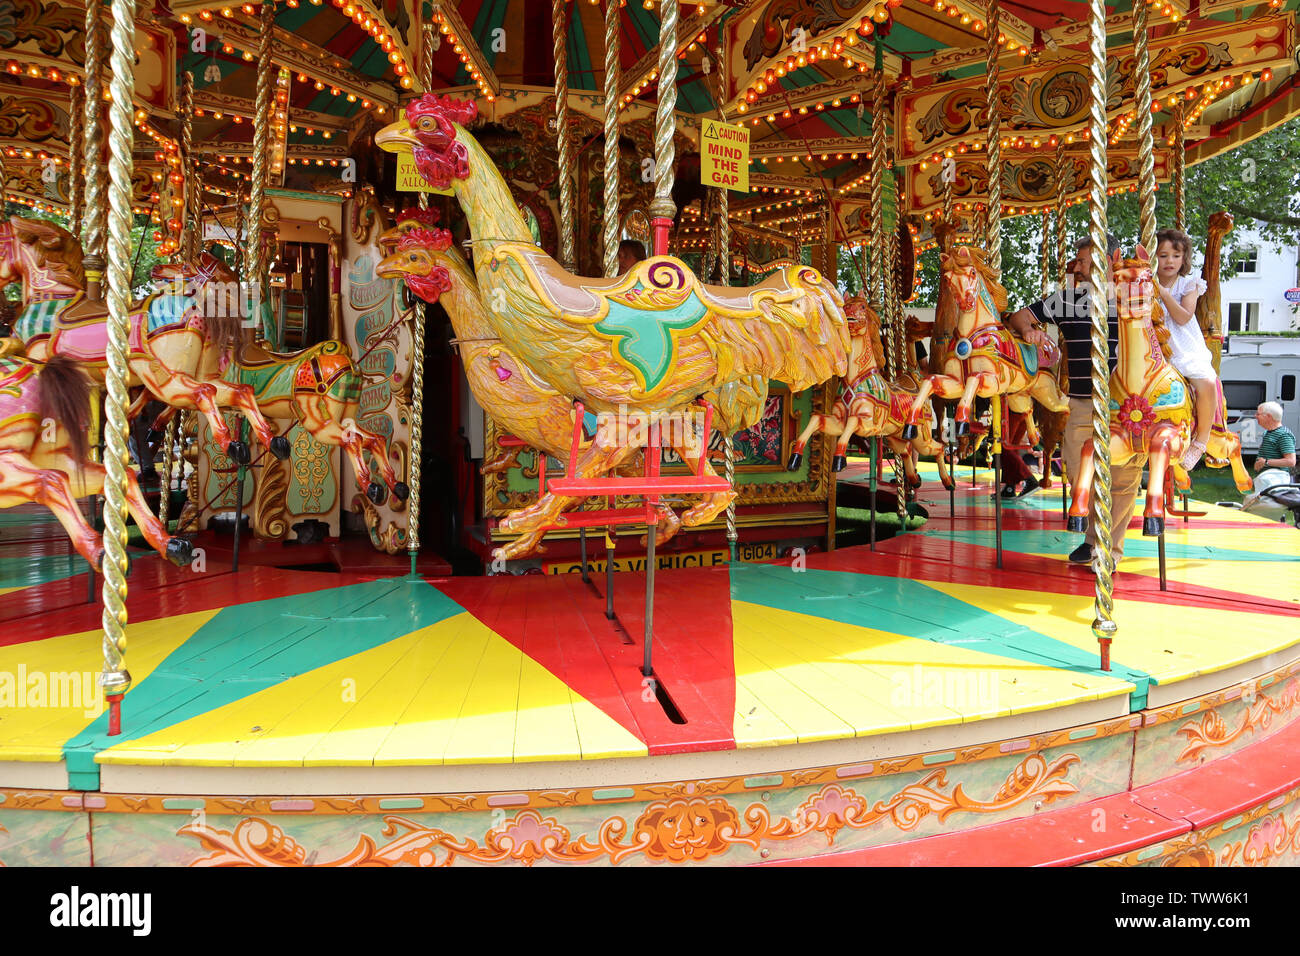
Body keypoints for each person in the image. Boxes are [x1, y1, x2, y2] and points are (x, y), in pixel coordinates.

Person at [1005, 234, 1144, 568]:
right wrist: (1030, 331)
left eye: (1084, 260)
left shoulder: (1131, 297)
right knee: (1076, 467)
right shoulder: (1067, 300)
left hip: (1123, 405)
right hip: (1082, 400)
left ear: (1113, 258)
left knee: (1121, 477)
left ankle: (1107, 548)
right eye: (1079, 261)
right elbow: (1019, 316)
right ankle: (1095, 537)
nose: (1078, 267)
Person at [1152, 229, 1215, 469]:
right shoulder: (1144, 283)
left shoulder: (1188, 284)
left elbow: (1183, 317)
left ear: (1184, 258)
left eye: (1175, 256)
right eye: (1163, 255)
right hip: (1153, 344)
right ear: (1153, 257)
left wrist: (1163, 294)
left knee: (1206, 381)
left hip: (1182, 345)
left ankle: (1201, 441)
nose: (1169, 261)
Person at [1253, 402, 1296, 475]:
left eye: (1258, 414)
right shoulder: (1268, 432)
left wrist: (1266, 462)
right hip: (1266, 479)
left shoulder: (1284, 435)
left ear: (1268, 416)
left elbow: (1291, 461)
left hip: (1275, 480)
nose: (1255, 416)